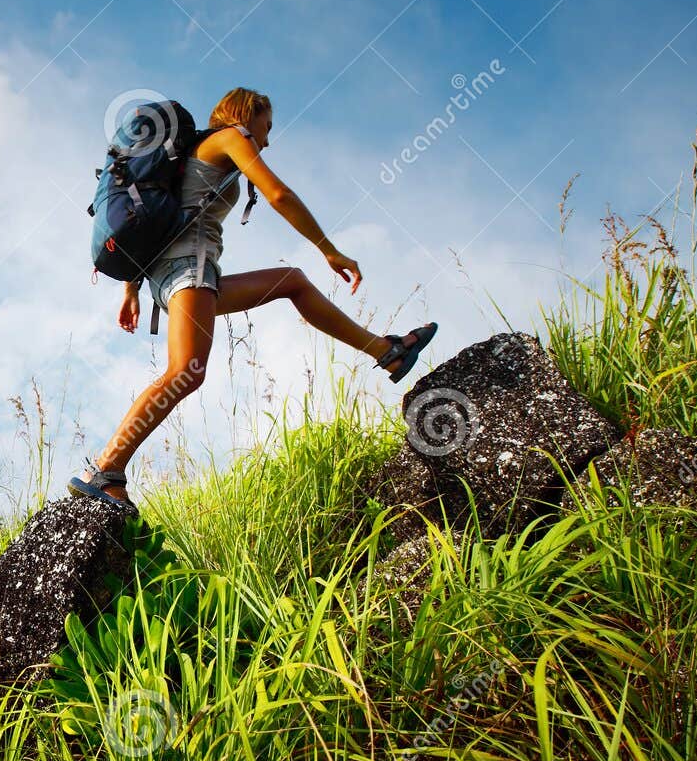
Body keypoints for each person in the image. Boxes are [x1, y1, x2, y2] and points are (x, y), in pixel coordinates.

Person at [69, 86, 436, 511]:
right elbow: (279, 194)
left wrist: (132, 290)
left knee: (291, 281)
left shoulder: (193, 153)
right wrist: (329, 249)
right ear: (248, 114)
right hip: (188, 268)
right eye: (267, 126)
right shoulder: (229, 138)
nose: (267, 138)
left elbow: (155, 218)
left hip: (180, 271)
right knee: (185, 371)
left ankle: (386, 351)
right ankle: (105, 468)